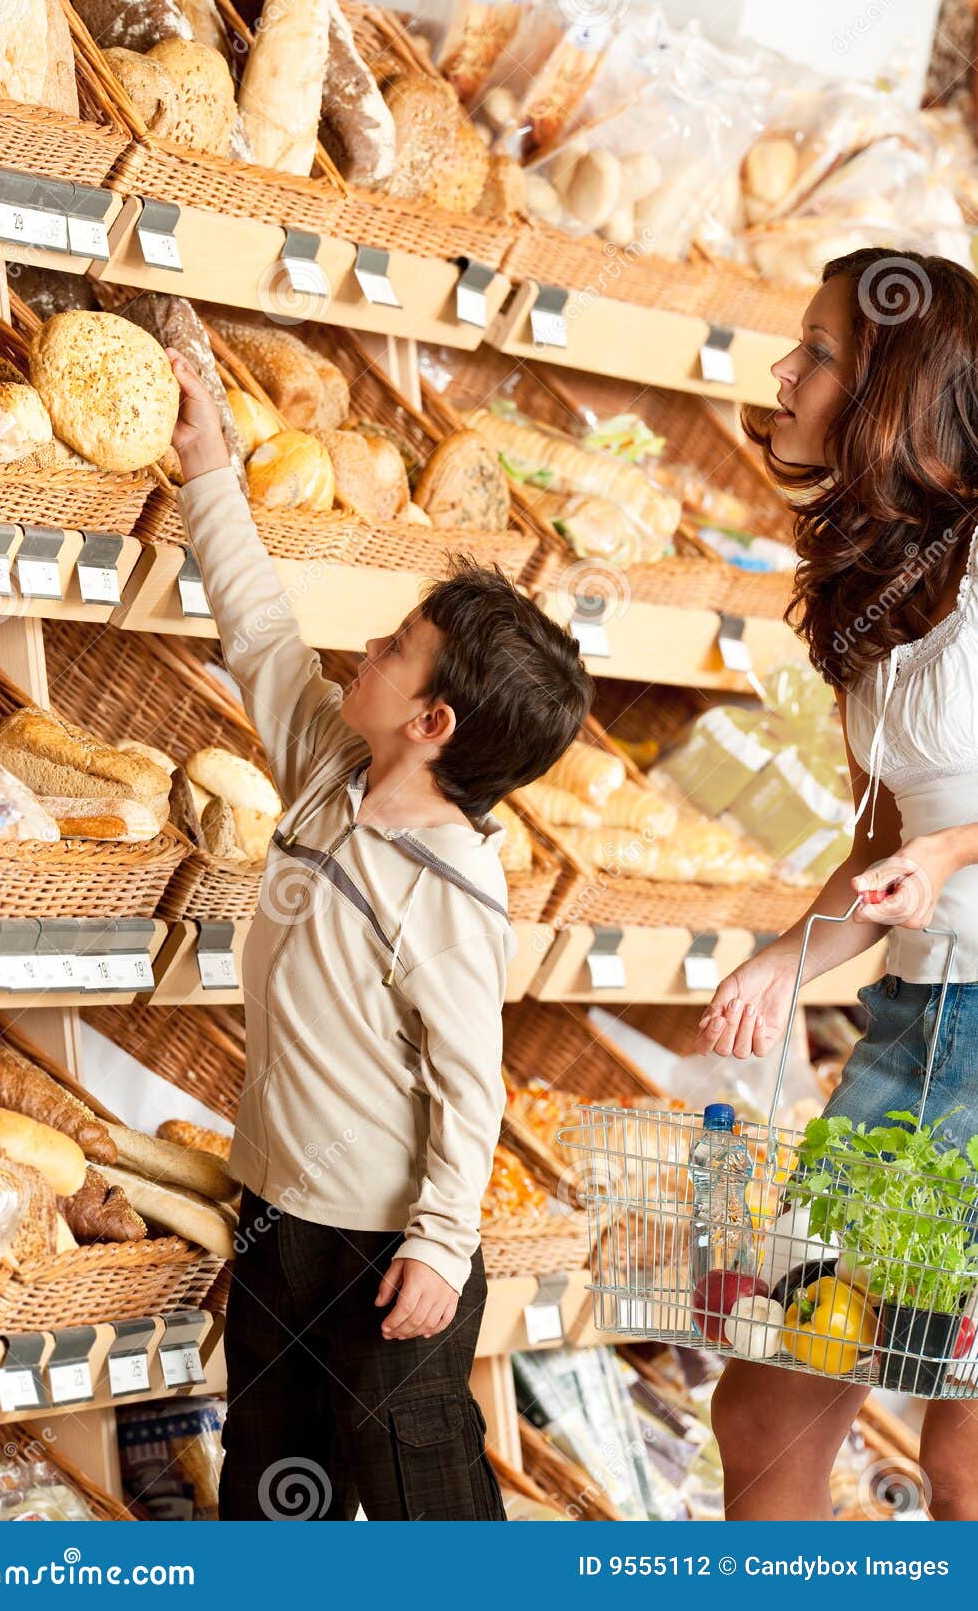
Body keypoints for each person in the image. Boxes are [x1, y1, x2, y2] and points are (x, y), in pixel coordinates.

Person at [166, 350, 593, 1521]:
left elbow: (470, 1084)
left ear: (431, 722)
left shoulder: (452, 885)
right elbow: (257, 630)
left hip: (386, 1247)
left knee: (415, 1485)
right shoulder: (327, 770)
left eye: (393, 647)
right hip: (277, 1211)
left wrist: (444, 1246)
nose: (366, 648)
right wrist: (207, 462)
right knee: (269, 1470)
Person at [696, 248, 978, 1521]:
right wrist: (779, 956)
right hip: (918, 1028)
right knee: (776, 1401)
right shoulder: (883, 603)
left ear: (890, 396)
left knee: (952, 1449)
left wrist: (952, 852)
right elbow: (874, 853)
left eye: (814, 352)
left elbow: (927, 847)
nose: (784, 373)